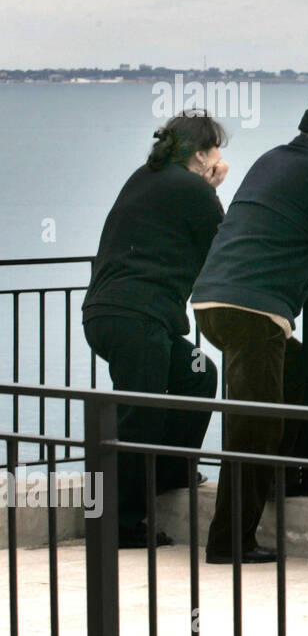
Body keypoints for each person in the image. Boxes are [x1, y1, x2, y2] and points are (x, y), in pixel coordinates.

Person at [191, 92, 308, 564]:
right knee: (255, 425)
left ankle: (284, 477)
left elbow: (288, 221)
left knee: (294, 369)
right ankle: (230, 542)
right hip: (253, 310)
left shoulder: (274, 159)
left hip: (212, 301)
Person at [82, 111, 229, 549]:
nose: (222, 158)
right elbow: (219, 248)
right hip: (137, 318)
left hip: (110, 314)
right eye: (217, 149)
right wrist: (210, 189)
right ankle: (121, 525)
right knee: (139, 415)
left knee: (197, 374)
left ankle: (168, 471)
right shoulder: (192, 188)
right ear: (202, 154)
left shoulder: (145, 176)